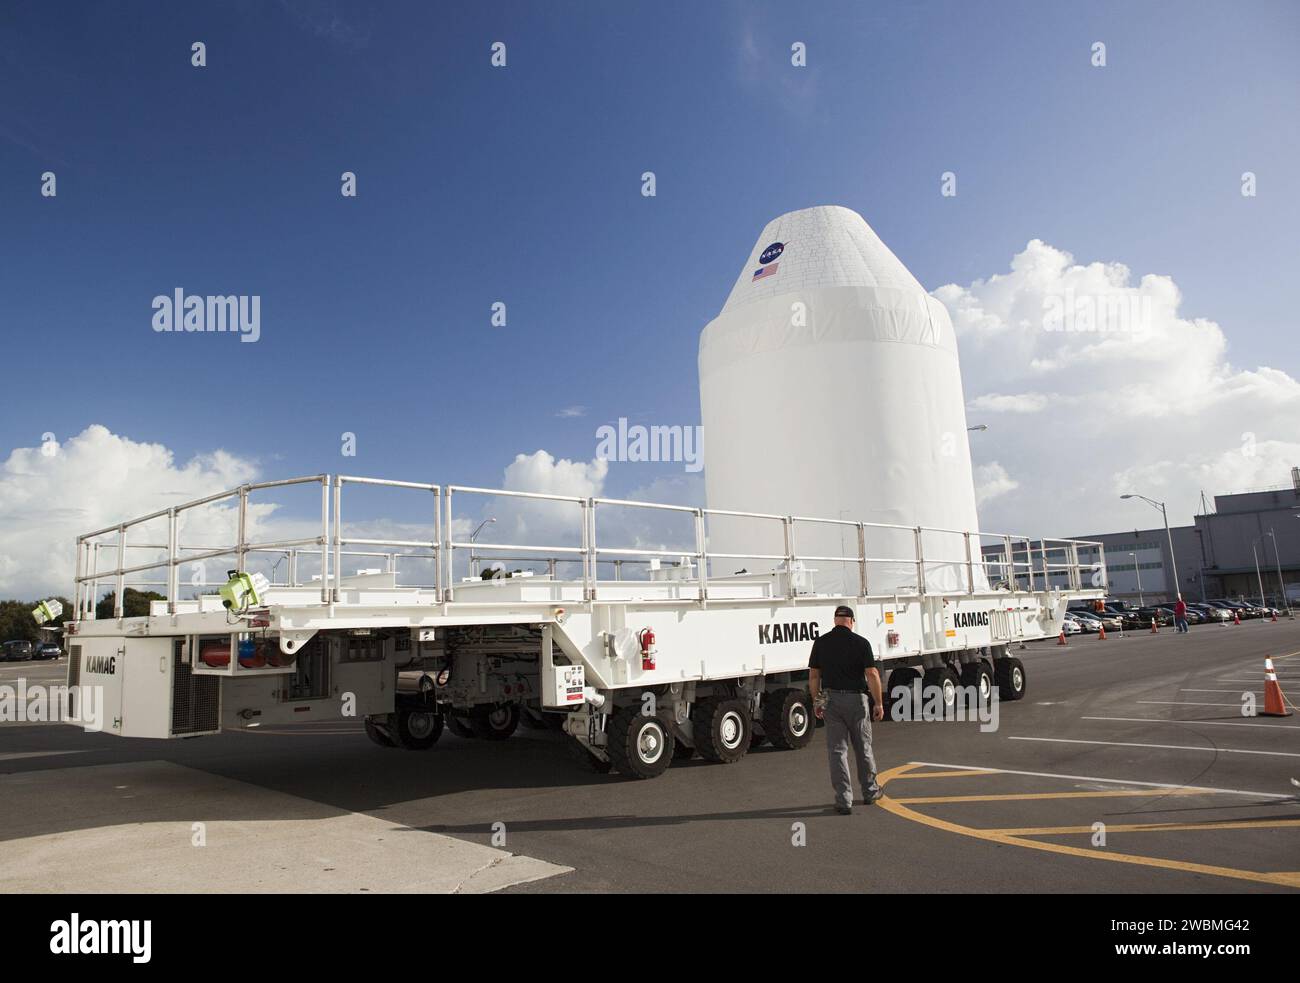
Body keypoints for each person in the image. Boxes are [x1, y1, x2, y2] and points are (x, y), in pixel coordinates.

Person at [808, 605, 884, 814]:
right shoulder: (861, 643)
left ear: (835, 620)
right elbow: (872, 675)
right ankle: (870, 792)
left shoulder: (821, 643)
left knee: (837, 751)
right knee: (863, 748)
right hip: (857, 700)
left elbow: (815, 677)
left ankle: (843, 800)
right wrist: (878, 702)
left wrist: (818, 703)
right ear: (851, 620)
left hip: (831, 700)